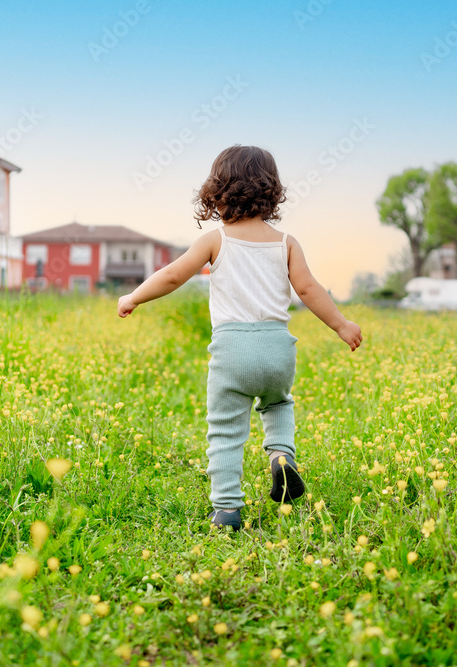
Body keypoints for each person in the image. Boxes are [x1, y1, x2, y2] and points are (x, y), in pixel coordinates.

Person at [117, 145, 362, 531]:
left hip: (233, 350)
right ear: (272, 190)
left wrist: (133, 297)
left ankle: (227, 510)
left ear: (217, 190)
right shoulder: (286, 242)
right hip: (278, 347)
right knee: (278, 404)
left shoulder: (215, 240)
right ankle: (281, 456)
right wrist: (342, 325)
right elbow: (309, 289)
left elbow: (173, 275)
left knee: (226, 430)